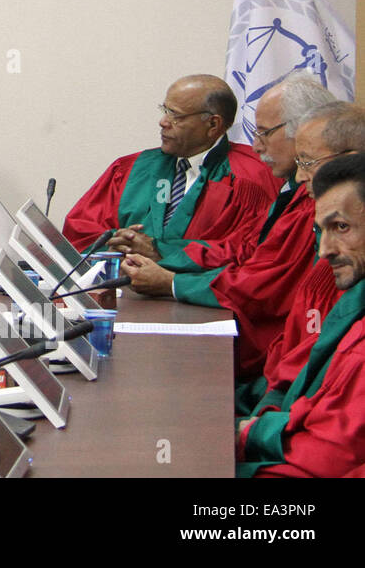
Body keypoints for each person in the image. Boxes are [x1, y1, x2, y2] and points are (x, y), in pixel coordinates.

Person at [120, 76, 339, 379]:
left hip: (272, 353)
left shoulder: (317, 203)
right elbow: (240, 247)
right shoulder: (296, 192)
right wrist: (159, 252)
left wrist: (171, 283)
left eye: (264, 133)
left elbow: (262, 285)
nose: (255, 144)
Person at [62, 74, 277, 272]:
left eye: (176, 116)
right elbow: (79, 233)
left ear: (213, 124)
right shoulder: (131, 169)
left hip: (200, 309)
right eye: (165, 110)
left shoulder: (250, 180)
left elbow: (249, 255)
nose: (163, 122)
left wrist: (161, 251)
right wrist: (116, 244)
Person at [237, 152, 365, 477]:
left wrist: (245, 435)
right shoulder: (353, 303)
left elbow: (331, 454)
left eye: (342, 227)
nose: (325, 250)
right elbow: (299, 390)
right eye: (322, 231)